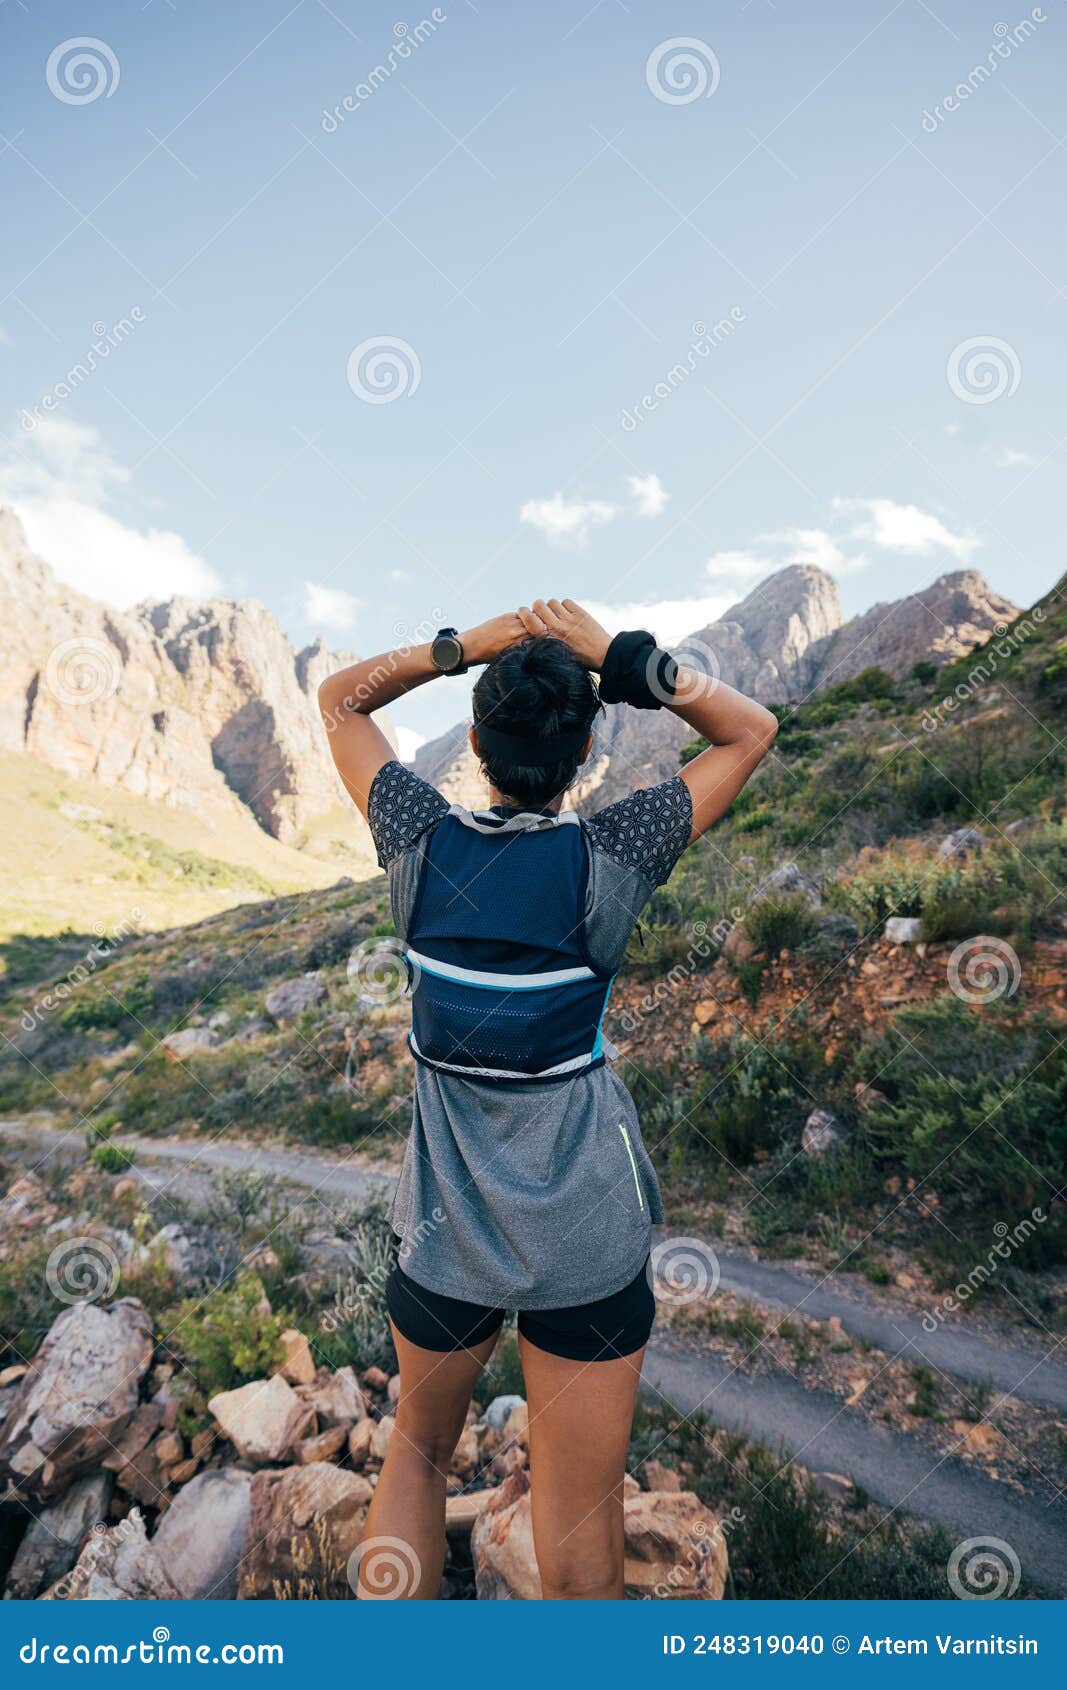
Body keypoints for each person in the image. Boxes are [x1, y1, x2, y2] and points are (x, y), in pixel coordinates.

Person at [318, 599, 777, 1599]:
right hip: (584, 1240)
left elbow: (338, 701)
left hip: (442, 1236)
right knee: (580, 1516)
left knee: (418, 1454)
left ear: (476, 742)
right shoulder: (608, 855)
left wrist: (462, 647)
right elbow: (751, 729)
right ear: (582, 754)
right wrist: (617, 654)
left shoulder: (417, 846)